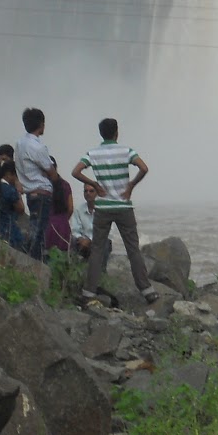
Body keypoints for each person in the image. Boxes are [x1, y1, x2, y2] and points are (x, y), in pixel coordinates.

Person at [72, 116, 156, 304]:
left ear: (101, 133)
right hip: (124, 207)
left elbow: (75, 172)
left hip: (102, 208)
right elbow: (144, 167)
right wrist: (131, 185)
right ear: (117, 132)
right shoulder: (126, 150)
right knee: (132, 248)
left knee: (97, 249)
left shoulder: (93, 153)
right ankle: (147, 290)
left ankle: (89, 292)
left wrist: (93, 183)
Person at [14, 109, 59, 260]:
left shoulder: (19, 144)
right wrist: (47, 172)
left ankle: (30, 260)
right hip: (41, 192)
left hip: (30, 192)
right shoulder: (38, 147)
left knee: (35, 228)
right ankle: (32, 263)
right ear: (41, 125)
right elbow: (52, 173)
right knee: (38, 232)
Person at [44, 157, 74, 255]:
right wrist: (64, 219)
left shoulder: (43, 187)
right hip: (63, 226)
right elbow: (70, 209)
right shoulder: (65, 185)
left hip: (48, 225)